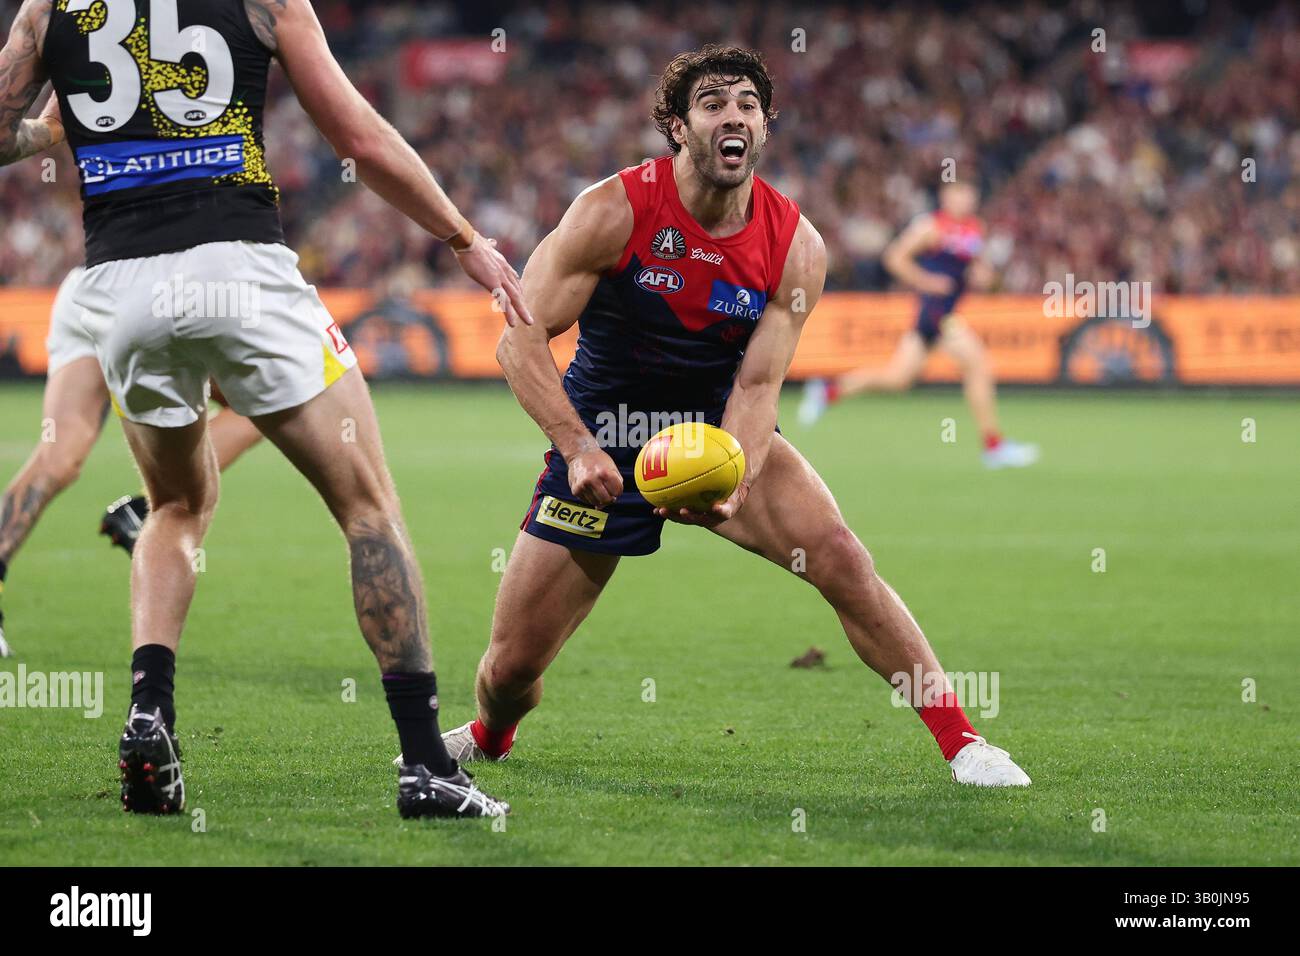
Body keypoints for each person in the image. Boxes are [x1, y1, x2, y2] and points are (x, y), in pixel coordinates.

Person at [443, 46, 1031, 788]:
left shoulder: (795, 246)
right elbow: (518, 342)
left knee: (843, 559)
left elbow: (757, 388)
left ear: (765, 126)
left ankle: (964, 742)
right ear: (677, 126)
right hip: (606, 431)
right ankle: (492, 733)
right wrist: (576, 446)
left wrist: (740, 479)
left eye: (747, 104)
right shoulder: (612, 210)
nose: (734, 116)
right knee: (512, 666)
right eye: (714, 103)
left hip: (714, 427)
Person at [0, 0, 532, 817]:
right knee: (367, 507)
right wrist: (464, 239)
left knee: (176, 505)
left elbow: (3, 134)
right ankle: (426, 764)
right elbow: (358, 137)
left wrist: (49, 134)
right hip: (240, 265)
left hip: (120, 286)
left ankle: (150, 710)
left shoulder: (49, 7)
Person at [0, 268, 263, 659]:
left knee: (58, 456)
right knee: (260, 401)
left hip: (88, 288)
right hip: (153, 292)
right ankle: (141, 510)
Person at [799, 181, 1039, 469]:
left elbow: (974, 270)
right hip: (937, 314)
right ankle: (993, 446)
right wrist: (926, 282)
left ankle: (827, 391)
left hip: (943, 313)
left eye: (969, 192)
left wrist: (983, 276)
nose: (965, 198)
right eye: (959, 192)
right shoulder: (931, 226)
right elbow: (894, 257)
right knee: (978, 365)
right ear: (945, 196)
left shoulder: (974, 229)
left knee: (897, 378)